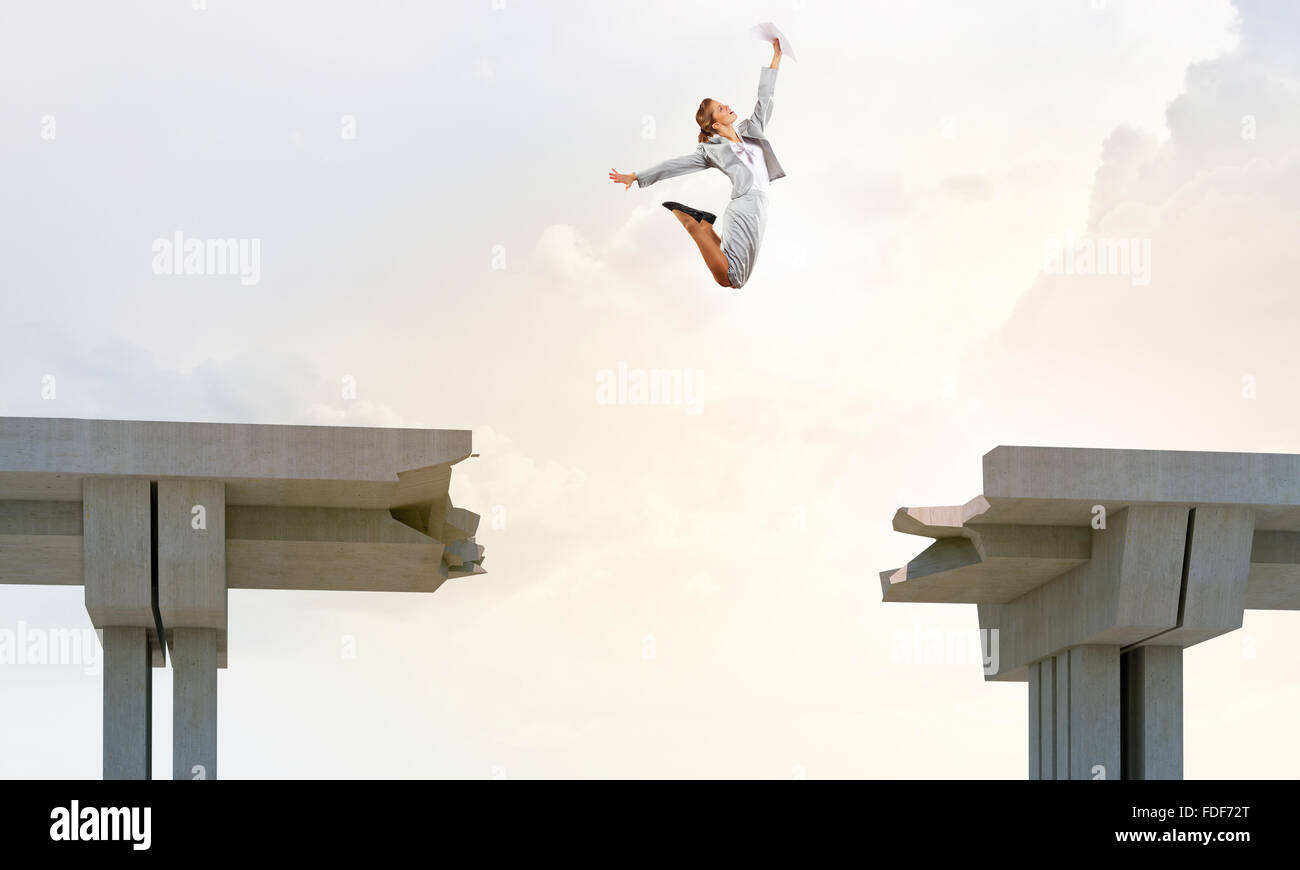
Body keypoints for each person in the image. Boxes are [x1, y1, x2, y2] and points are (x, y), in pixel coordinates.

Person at [609, 39, 785, 289]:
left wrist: (776, 56)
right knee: (731, 278)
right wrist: (637, 176)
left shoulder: (751, 131)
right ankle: (695, 225)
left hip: (760, 206)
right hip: (746, 206)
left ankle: (702, 224)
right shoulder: (712, 151)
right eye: (721, 108)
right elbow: (675, 164)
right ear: (715, 124)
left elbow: (765, 97)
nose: (728, 106)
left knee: (734, 275)